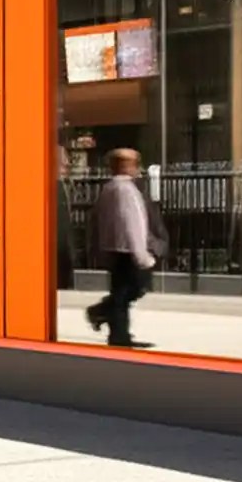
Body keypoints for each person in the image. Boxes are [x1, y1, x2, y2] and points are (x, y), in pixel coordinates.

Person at [85, 149, 156, 349]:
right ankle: (105, 317)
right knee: (130, 290)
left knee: (122, 292)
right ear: (125, 165)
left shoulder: (109, 188)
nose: (138, 167)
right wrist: (141, 255)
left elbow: (96, 220)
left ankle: (117, 331)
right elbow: (132, 223)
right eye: (135, 163)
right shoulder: (125, 190)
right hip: (126, 250)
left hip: (115, 249)